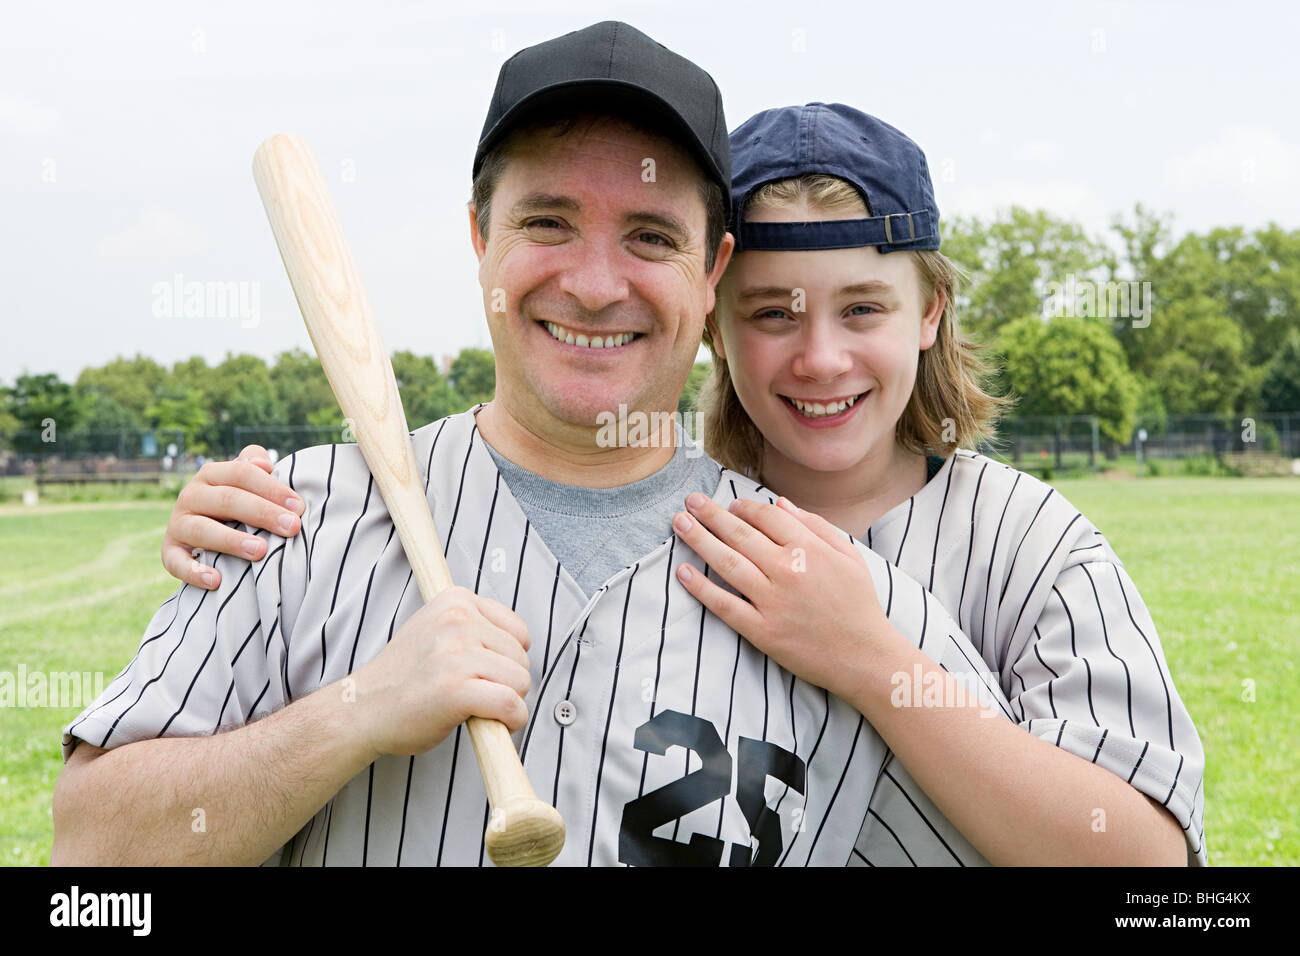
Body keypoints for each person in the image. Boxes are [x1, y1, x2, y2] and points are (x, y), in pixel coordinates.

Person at [147, 98, 1205, 866]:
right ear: (711, 308)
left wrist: (873, 658)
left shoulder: (1027, 543)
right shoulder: (648, 506)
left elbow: (1151, 874)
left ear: (929, 311)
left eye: (865, 309)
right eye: (772, 311)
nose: (821, 356)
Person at [52, 22, 1011, 868]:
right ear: (480, 238)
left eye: (649, 236)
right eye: (548, 221)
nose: (596, 285)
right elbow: (89, 857)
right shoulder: (285, 520)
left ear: (712, 269)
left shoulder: (834, 595)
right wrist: (355, 714)